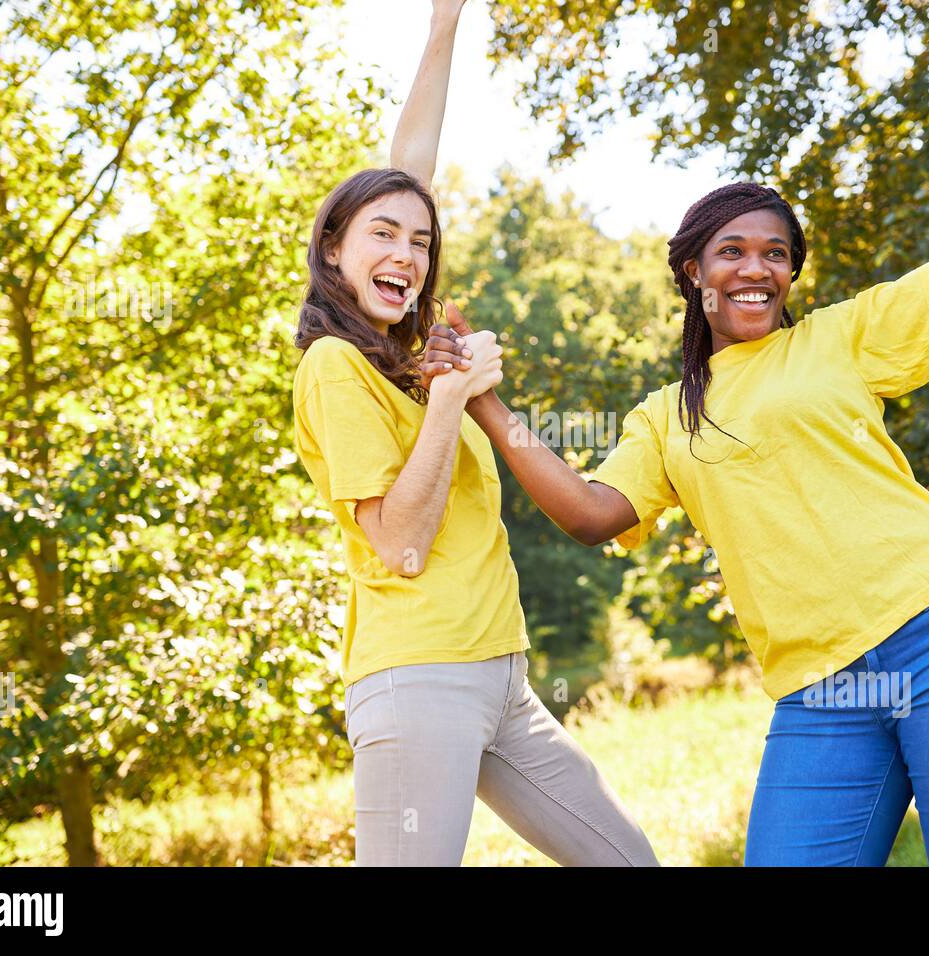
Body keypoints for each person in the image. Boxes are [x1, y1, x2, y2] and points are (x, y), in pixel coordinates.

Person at [425, 47, 929, 865]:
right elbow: (591, 514)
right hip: (821, 693)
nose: (756, 268)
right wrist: (484, 403)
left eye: (776, 253)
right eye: (733, 250)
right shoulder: (665, 417)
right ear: (692, 271)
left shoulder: (842, 336)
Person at [290, 0, 657, 867]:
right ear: (334, 248)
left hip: (502, 677)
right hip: (418, 679)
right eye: (382, 236)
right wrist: (455, 400)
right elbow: (402, 546)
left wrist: (443, 25)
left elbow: (405, 173)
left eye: (422, 243)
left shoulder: (400, 363)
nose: (407, 254)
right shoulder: (335, 368)